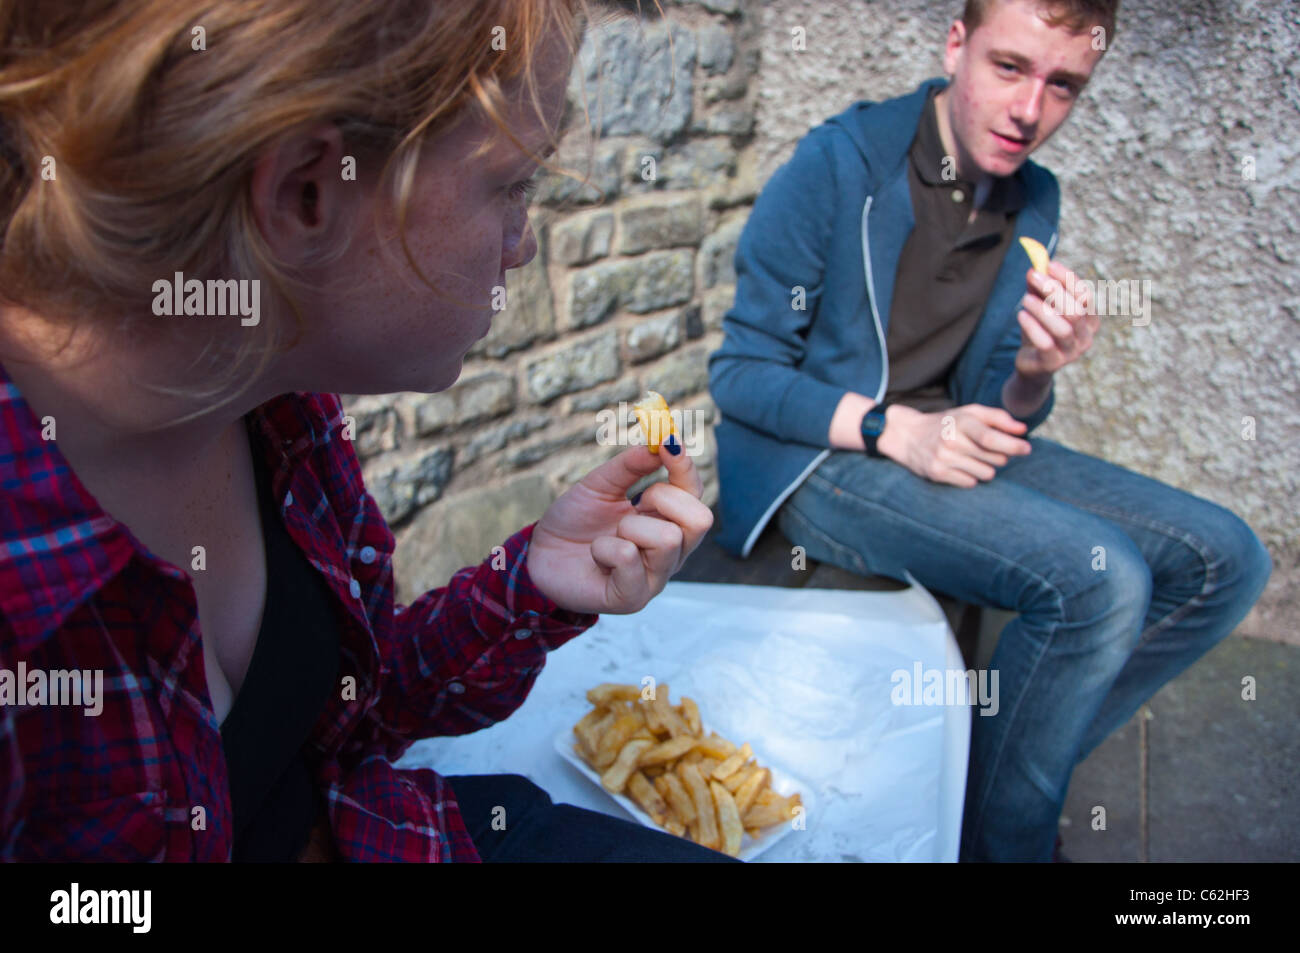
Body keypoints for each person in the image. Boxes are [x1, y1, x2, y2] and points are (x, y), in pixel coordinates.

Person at [0, 0, 728, 862]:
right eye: (514, 184)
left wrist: (533, 585)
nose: (523, 244)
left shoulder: (278, 404)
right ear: (308, 191)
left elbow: (350, 717)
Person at [707, 0, 1272, 862]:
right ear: (957, 44)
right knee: (1100, 583)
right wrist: (895, 429)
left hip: (949, 439)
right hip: (823, 458)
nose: (1029, 111)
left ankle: (995, 767)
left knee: (1227, 560)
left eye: (1063, 86)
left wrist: (1038, 369)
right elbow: (742, 374)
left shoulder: (1033, 197)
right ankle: (1010, 841)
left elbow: (999, 408)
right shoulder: (839, 163)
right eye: (1010, 67)